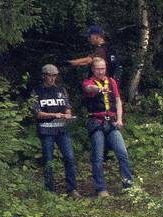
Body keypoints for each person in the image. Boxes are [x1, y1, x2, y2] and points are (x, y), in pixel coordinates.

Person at [81, 57, 133, 197]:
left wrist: (120, 119)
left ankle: (128, 185)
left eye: (103, 68)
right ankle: (100, 188)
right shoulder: (88, 82)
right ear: (93, 69)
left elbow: (117, 101)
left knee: (122, 153)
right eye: (97, 68)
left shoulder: (111, 81)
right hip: (96, 122)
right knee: (98, 156)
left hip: (112, 122)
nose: (100, 71)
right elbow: (88, 88)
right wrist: (98, 89)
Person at [31, 64, 78, 196]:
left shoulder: (61, 90)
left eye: (54, 76)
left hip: (62, 129)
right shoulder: (36, 92)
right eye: (49, 75)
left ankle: (72, 189)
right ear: (43, 76)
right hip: (46, 130)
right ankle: (50, 190)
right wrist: (54, 115)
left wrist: (68, 114)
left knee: (69, 158)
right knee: (48, 160)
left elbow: (67, 106)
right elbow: (37, 113)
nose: (52, 78)